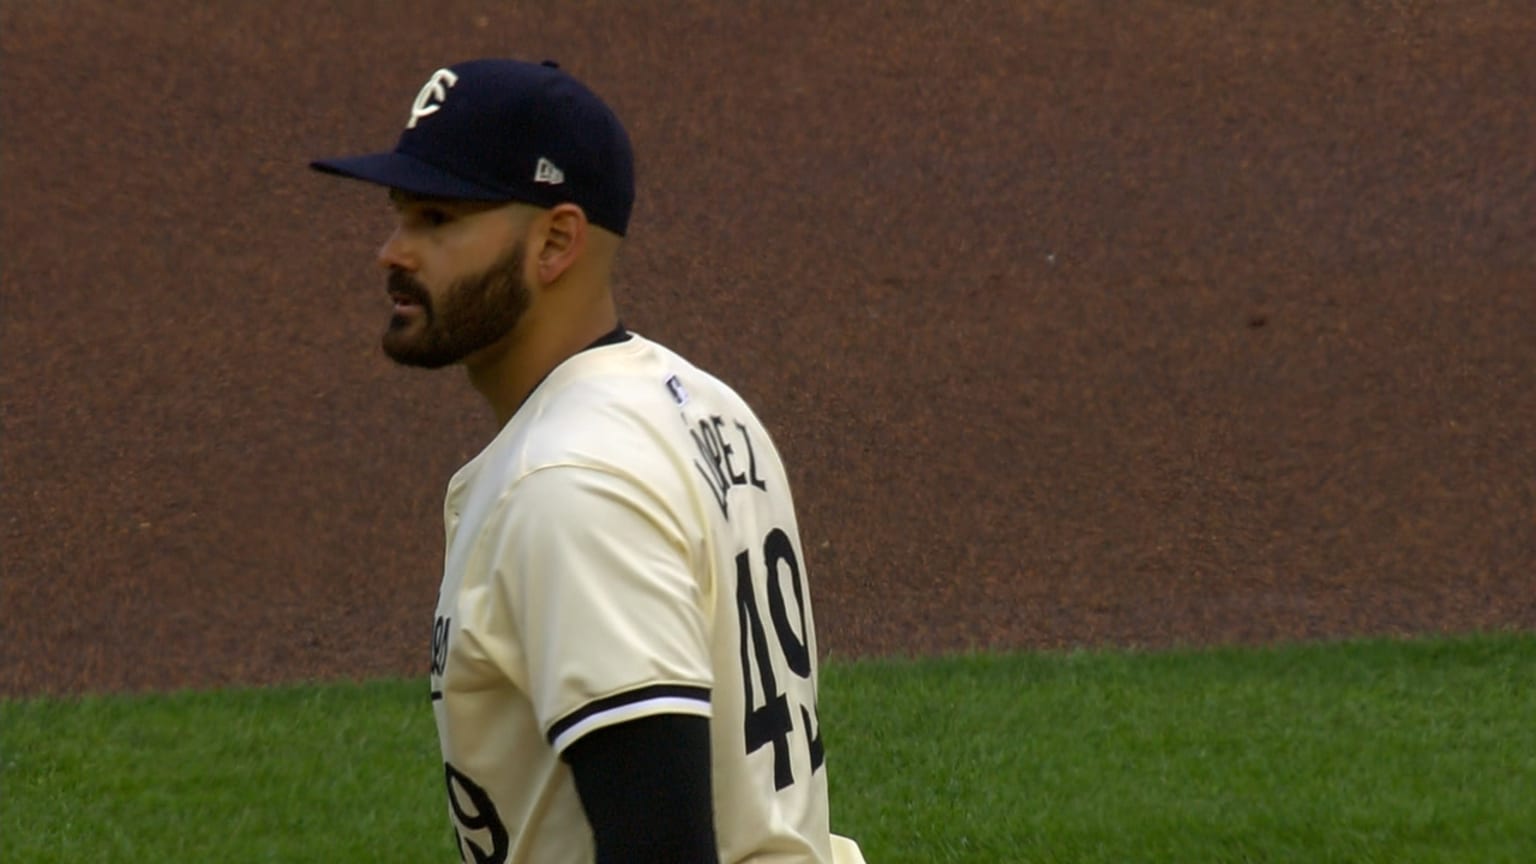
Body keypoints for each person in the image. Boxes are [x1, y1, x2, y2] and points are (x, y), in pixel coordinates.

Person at [310, 58, 865, 864]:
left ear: (557, 241)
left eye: (437, 218)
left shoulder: (568, 484)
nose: (392, 251)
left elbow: (661, 846)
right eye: (399, 214)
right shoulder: (701, 403)